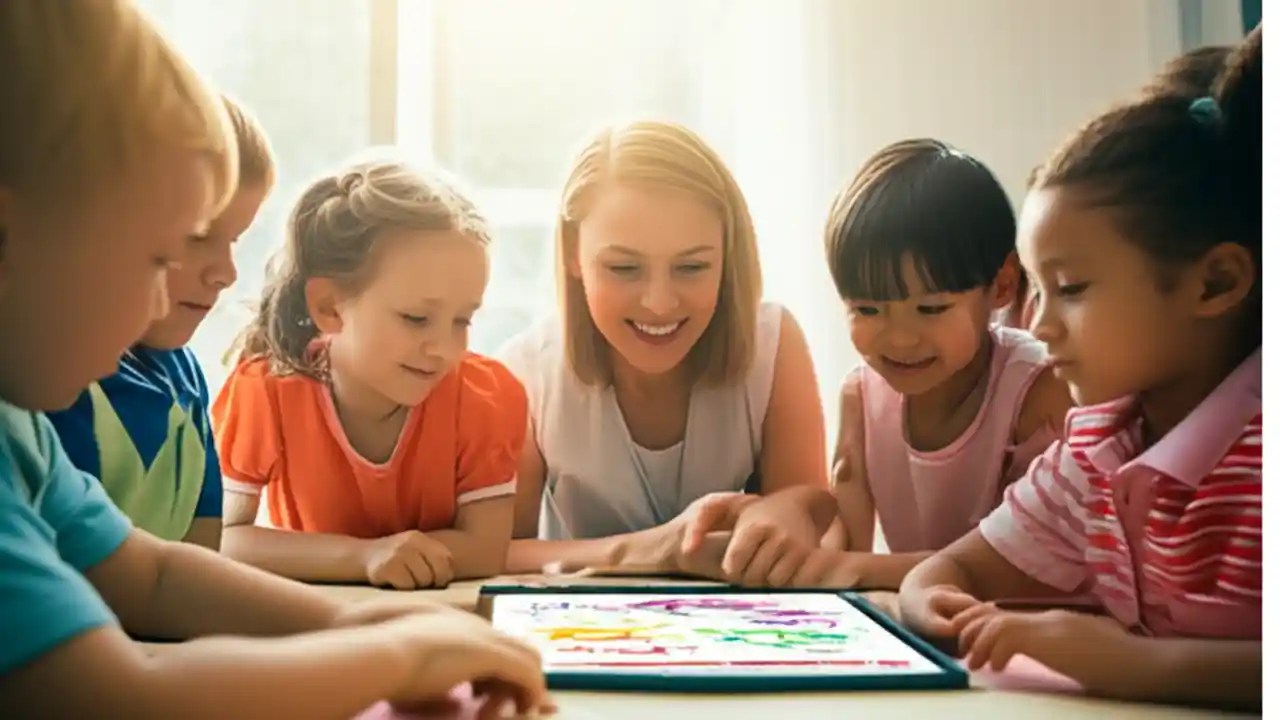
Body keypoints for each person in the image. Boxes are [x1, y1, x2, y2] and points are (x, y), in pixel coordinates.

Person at [0, 3, 548, 717]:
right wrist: (395, 657)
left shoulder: (21, 434)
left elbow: (154, 576)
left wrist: (354, 623)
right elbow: (119, 694)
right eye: (158, 258)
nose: (168, 297)